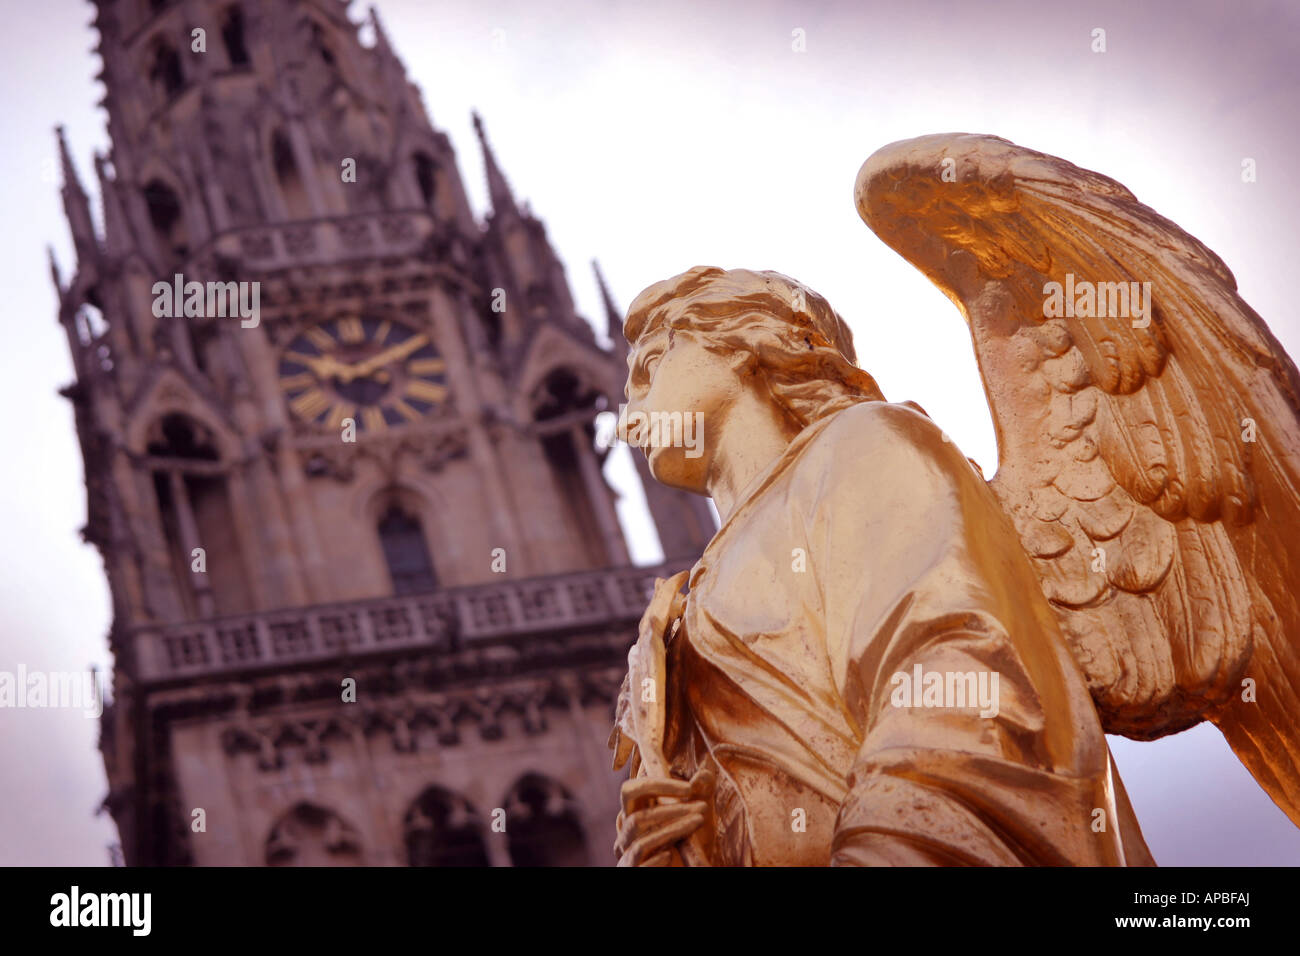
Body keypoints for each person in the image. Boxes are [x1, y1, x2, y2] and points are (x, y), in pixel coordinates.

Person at [609, 266, 1154, 867]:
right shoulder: (688, 601)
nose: (630, 417)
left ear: (740, 346)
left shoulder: (863, 444)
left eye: (648, 369)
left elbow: (960, 675)